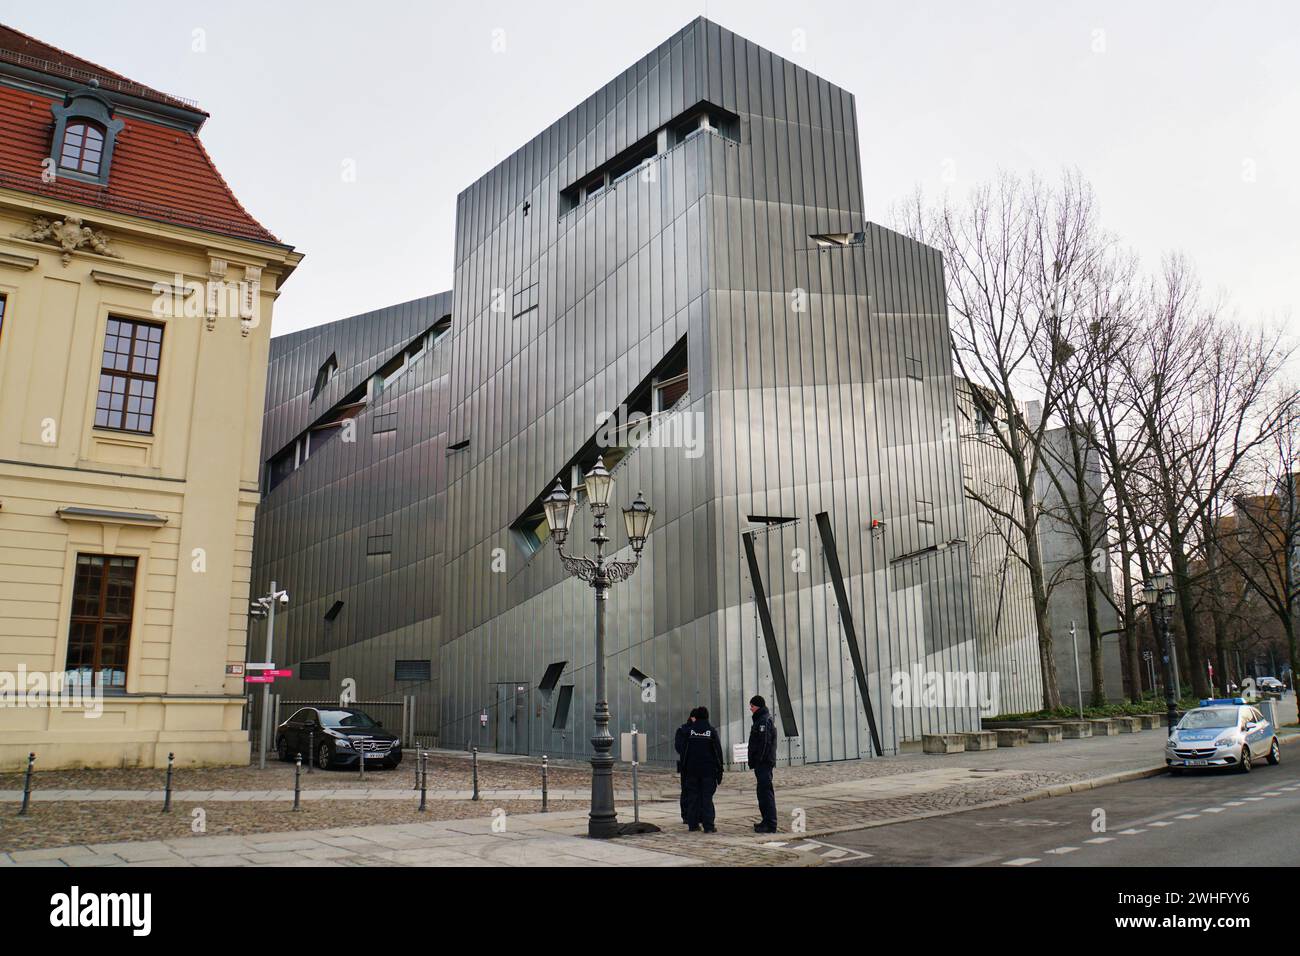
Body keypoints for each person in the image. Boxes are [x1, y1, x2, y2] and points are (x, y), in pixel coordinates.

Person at [679, 705, 724, 833]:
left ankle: (693, 824)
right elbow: (717, 753)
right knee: (707, 799)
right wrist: (719, 771)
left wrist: (684, 769)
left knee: (693, 798)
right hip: (708, 772)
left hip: (692, 771)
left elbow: (684, 752)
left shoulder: (689, 732)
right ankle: (708, 826)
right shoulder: (711, 731)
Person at [747, 694, 778, 833]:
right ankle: (765, 820)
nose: (750, 709)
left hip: (764, 764)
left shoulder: (764, 721)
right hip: (762, 763)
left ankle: (770, 823)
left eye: (752, 706)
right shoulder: (761, 720)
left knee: (766, 793)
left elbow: (765, 742)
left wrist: (758, 760)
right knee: (762, 793)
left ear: (757, 706)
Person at [674, 708, 700, 823]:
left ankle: (691, 815)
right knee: (687, 790)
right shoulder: (683, 730)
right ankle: (686, 815)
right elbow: (679, 747)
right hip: (687, 764)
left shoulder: (684, 729)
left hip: (689, 764)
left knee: (691, 790)